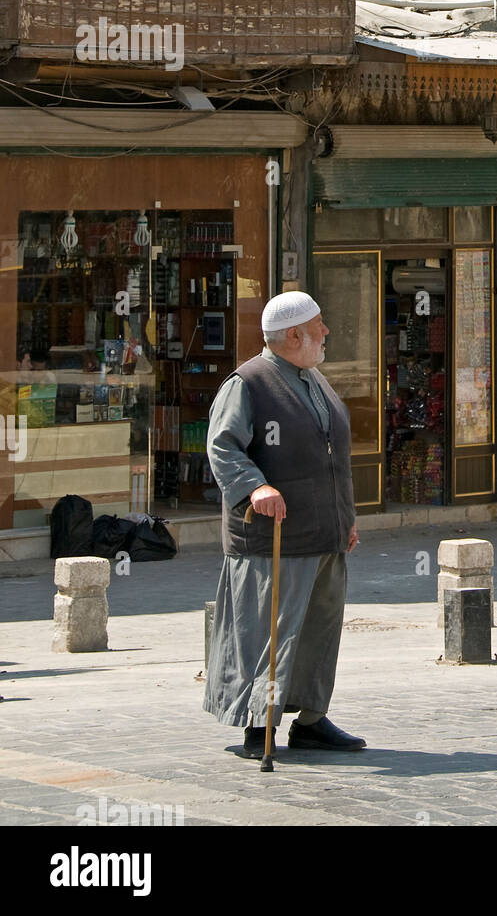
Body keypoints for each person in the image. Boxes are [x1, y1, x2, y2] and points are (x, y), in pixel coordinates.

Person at [203, 291, 364, 758]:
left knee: (318, 629)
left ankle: (310, 719)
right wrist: (255, 487)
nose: (327, 332)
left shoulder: (313, 378)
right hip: (270, 535)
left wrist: (345, 519)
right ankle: (259, 724)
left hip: (323, 532)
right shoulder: (247, 383)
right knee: (268, 633)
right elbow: (223, 446)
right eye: (319, 326)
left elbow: (332, 455)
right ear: (294, 335)